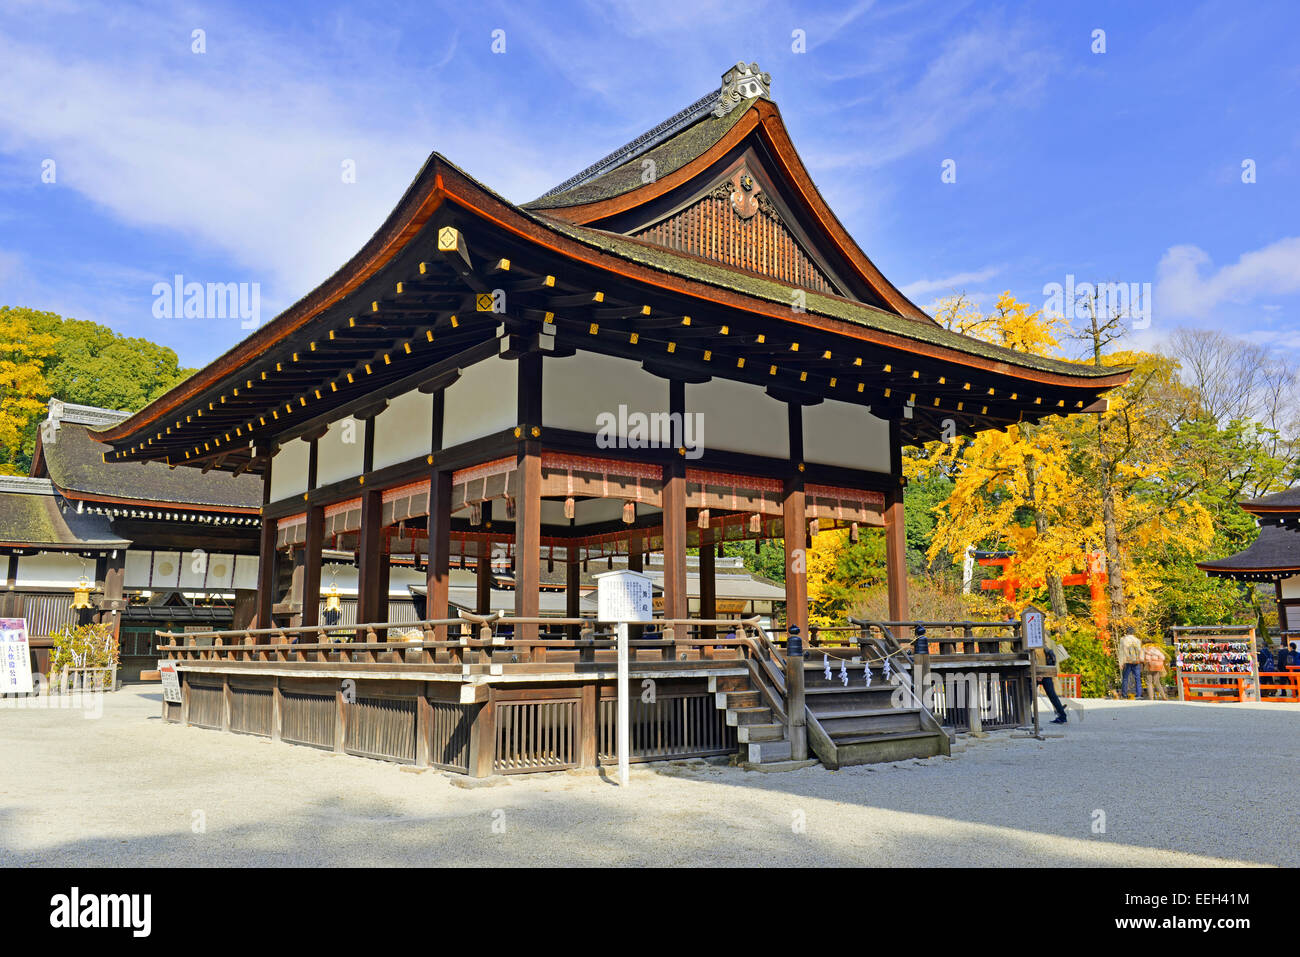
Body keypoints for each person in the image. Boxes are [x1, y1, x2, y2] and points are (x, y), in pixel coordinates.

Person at [1036, 635, 1068, 723]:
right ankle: (1062, 715)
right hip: (1047, 672)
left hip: (1039, 672)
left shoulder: (1034, 645)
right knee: (1052, 695)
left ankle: (1028, 717)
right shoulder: (1045, 644)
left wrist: (1039, 673)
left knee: (1029, 696)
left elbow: (1039, 659)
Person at [1118, 631, 1143, 699]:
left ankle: (1124, 694)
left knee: (1125, 678)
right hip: (1136, 661)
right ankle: (1139, 694)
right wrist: (1140, 660)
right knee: (1137, 678)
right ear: (1133, 633)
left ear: (1127, 633)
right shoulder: (1137, 640)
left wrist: (1121, 662)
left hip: (1127, 661)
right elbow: (1140, 650)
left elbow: (1121, 652)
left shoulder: (1123, 640)